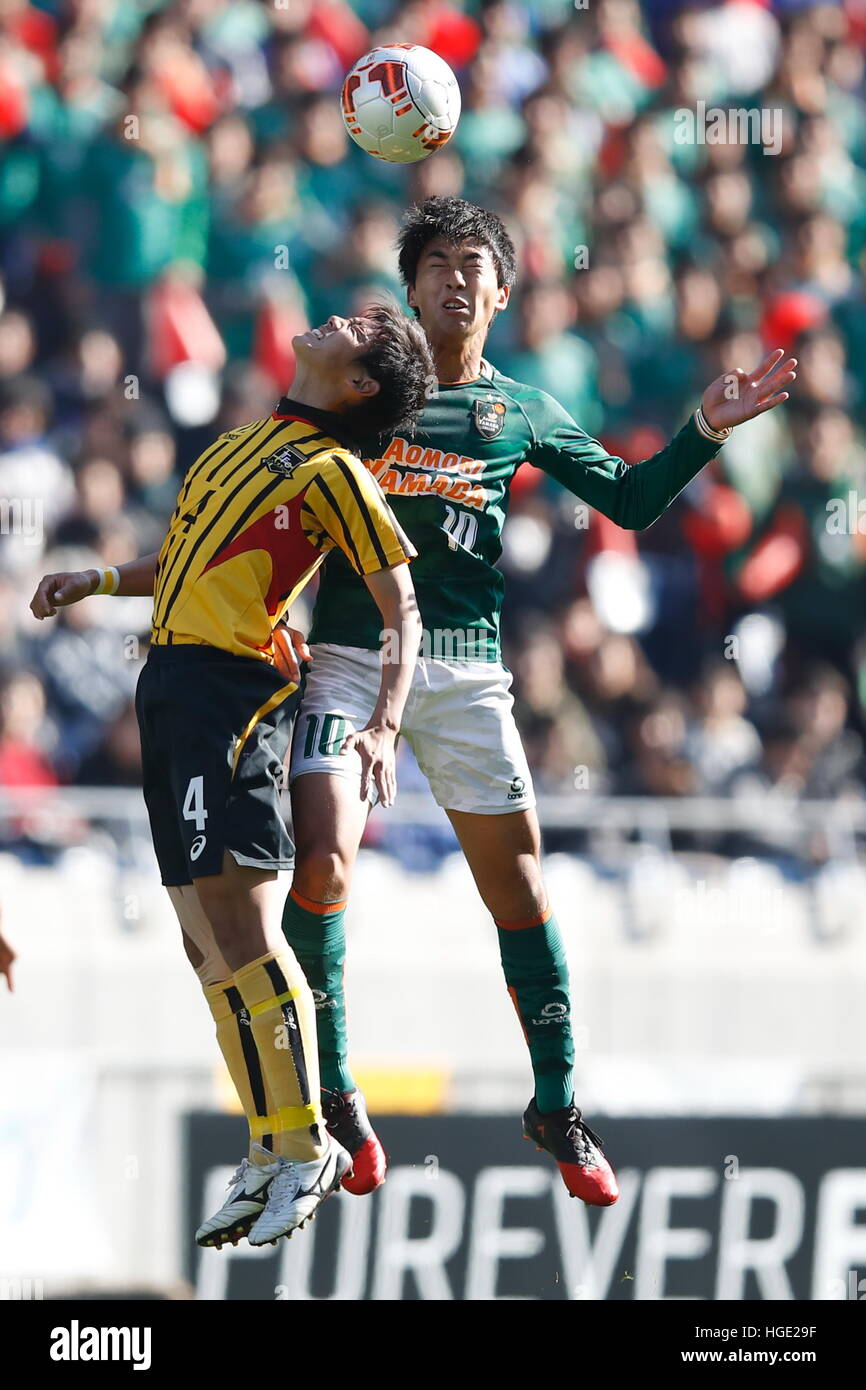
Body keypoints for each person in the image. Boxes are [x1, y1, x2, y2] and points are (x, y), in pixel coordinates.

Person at [279, 198, 796, 1206]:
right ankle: (335, 1089)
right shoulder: (356, 395)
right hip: (349, 656)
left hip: (466, 671)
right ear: (410, 286)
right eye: (434, 262)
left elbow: (632, 501)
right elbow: (283, 498)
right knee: (325, 856)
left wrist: (703, 428)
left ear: (503, 292)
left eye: (473, 263)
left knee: (516, 890)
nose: (454, 278)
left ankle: (554, 1104)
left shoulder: (518, 411)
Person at [30, 301, 433, 1247]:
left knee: (247, 922)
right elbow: (180, 560)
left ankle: (308, 1144)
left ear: (363, 382)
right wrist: (94, 581)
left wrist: (385, 720)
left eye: (358, 326)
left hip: (234, 690)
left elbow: (399, 602)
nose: (333, 317)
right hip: (169, 683)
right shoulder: (238, 444)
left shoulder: (335, 470)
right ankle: (268, 1143)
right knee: (204, 941)